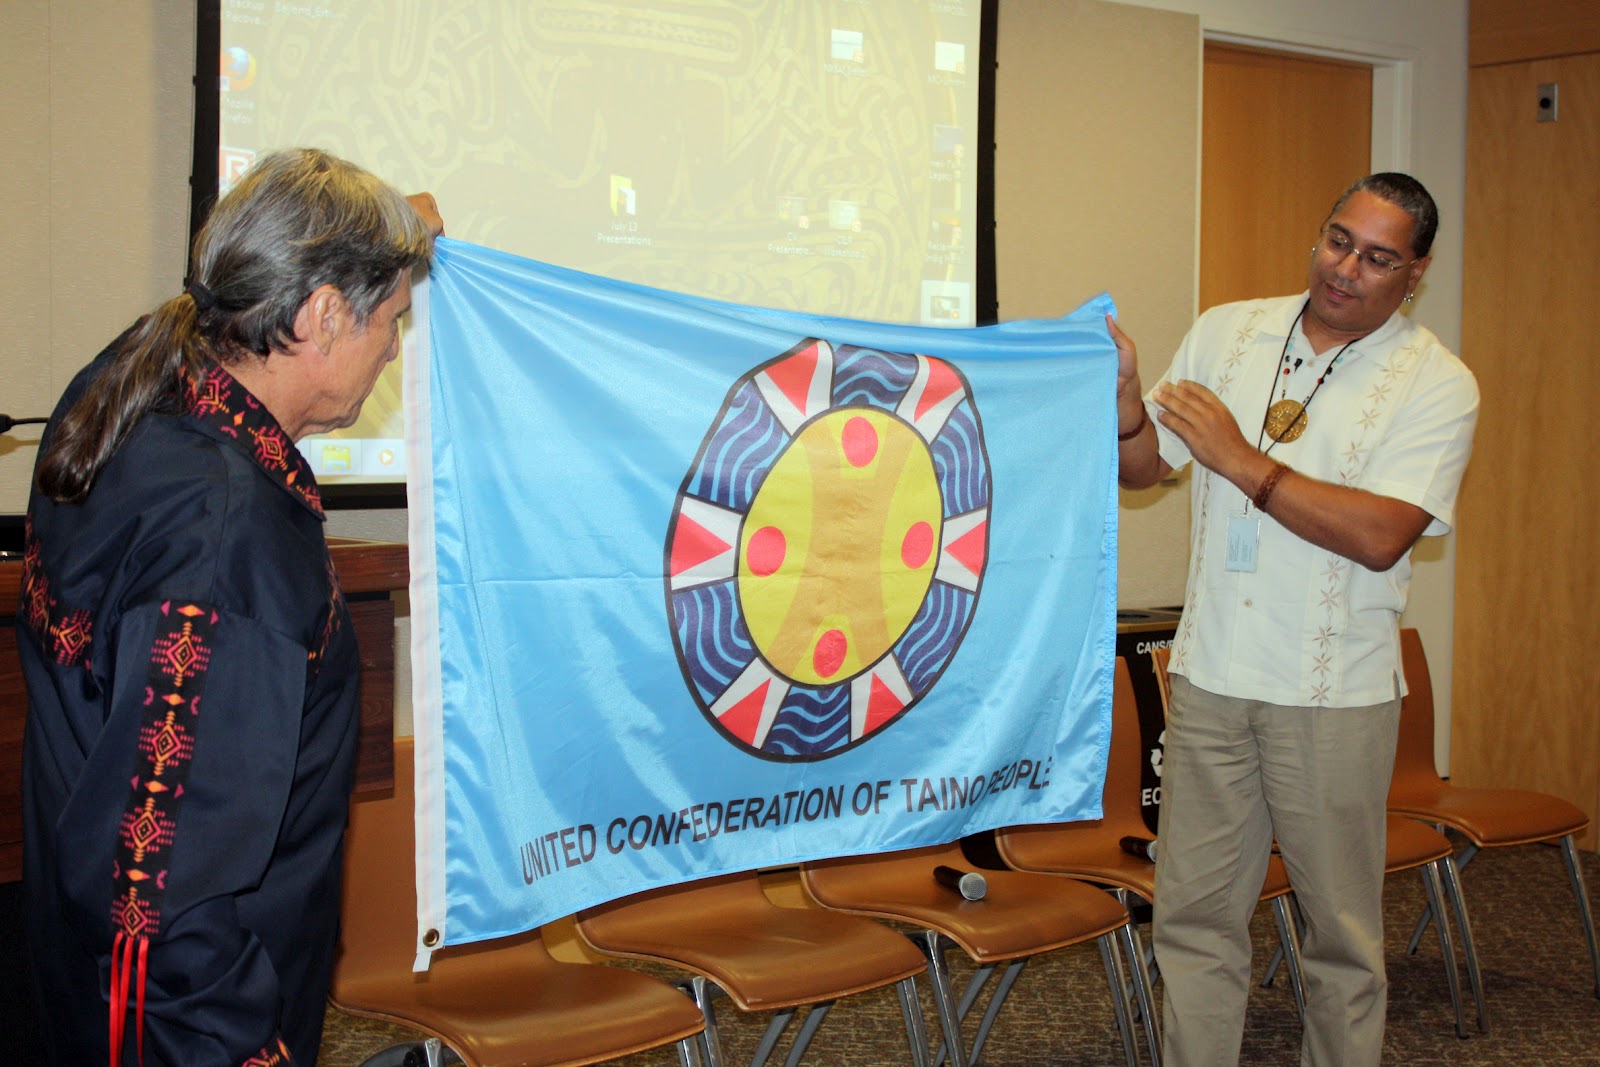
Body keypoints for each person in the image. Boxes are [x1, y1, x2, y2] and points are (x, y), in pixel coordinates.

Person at [18, 148, 442, 1065]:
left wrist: (393, 229)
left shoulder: (132, 386)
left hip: (75, 987)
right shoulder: (229, 544)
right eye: (393, 321)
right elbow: (169, 907)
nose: (392, 348)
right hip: (184, 1031)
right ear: (321, 314)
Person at [1111, 173, 1478, 1066]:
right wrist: (1124, 405)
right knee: (1193, 920)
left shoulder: (1437, 382)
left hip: (1332, 693)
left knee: (1339, 938)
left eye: (1377, 257)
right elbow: (1147, 467)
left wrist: (1238, 458)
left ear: (1416, 273)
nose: (1345, 267)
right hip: (1209, 676)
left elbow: (1382, 534)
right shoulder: (1229, 329)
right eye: (1338, 240)